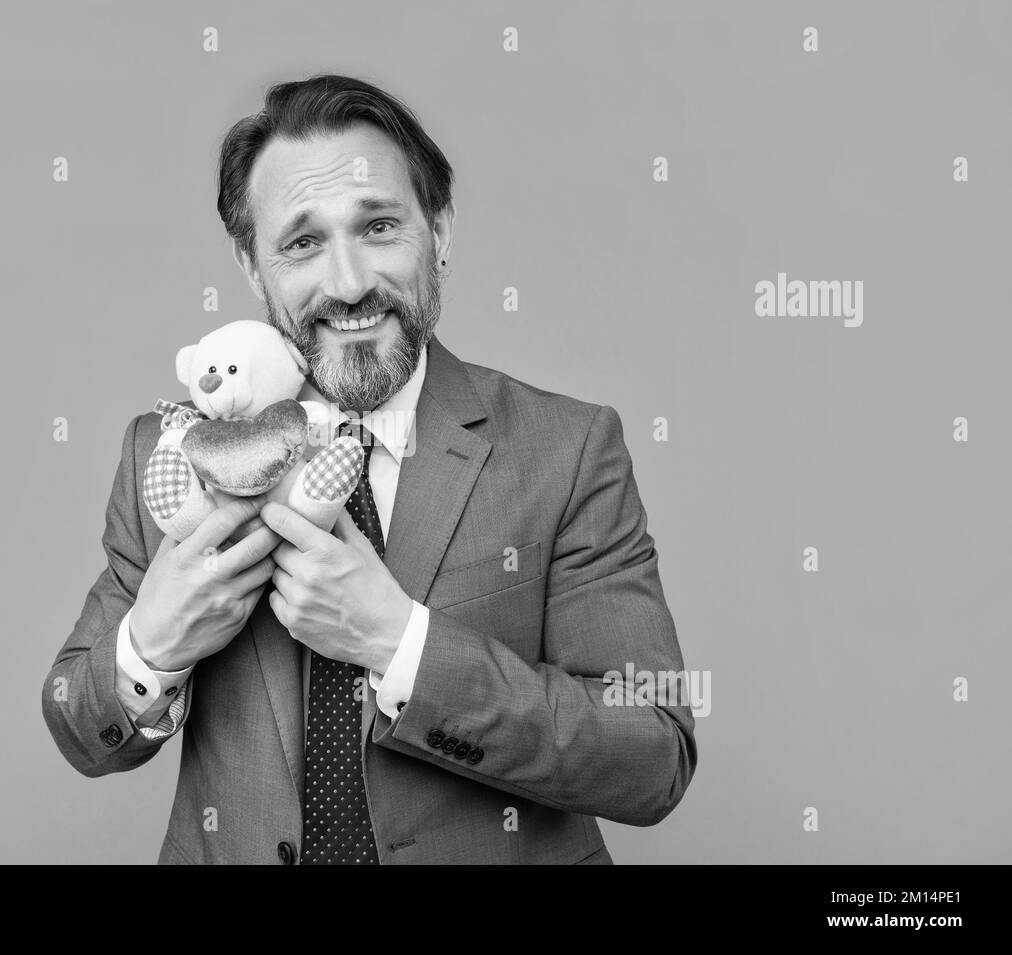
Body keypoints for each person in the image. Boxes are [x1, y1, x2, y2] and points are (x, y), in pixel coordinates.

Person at [42, 74, 697, 865]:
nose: (349, 284)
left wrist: (401, 644)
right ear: (253, 268)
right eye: (303, 242)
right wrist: (150, 646)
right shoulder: (174, 456)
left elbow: (651, 754)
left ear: (442, 232)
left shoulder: (568, 449)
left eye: (379, 225)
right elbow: (81, 728)